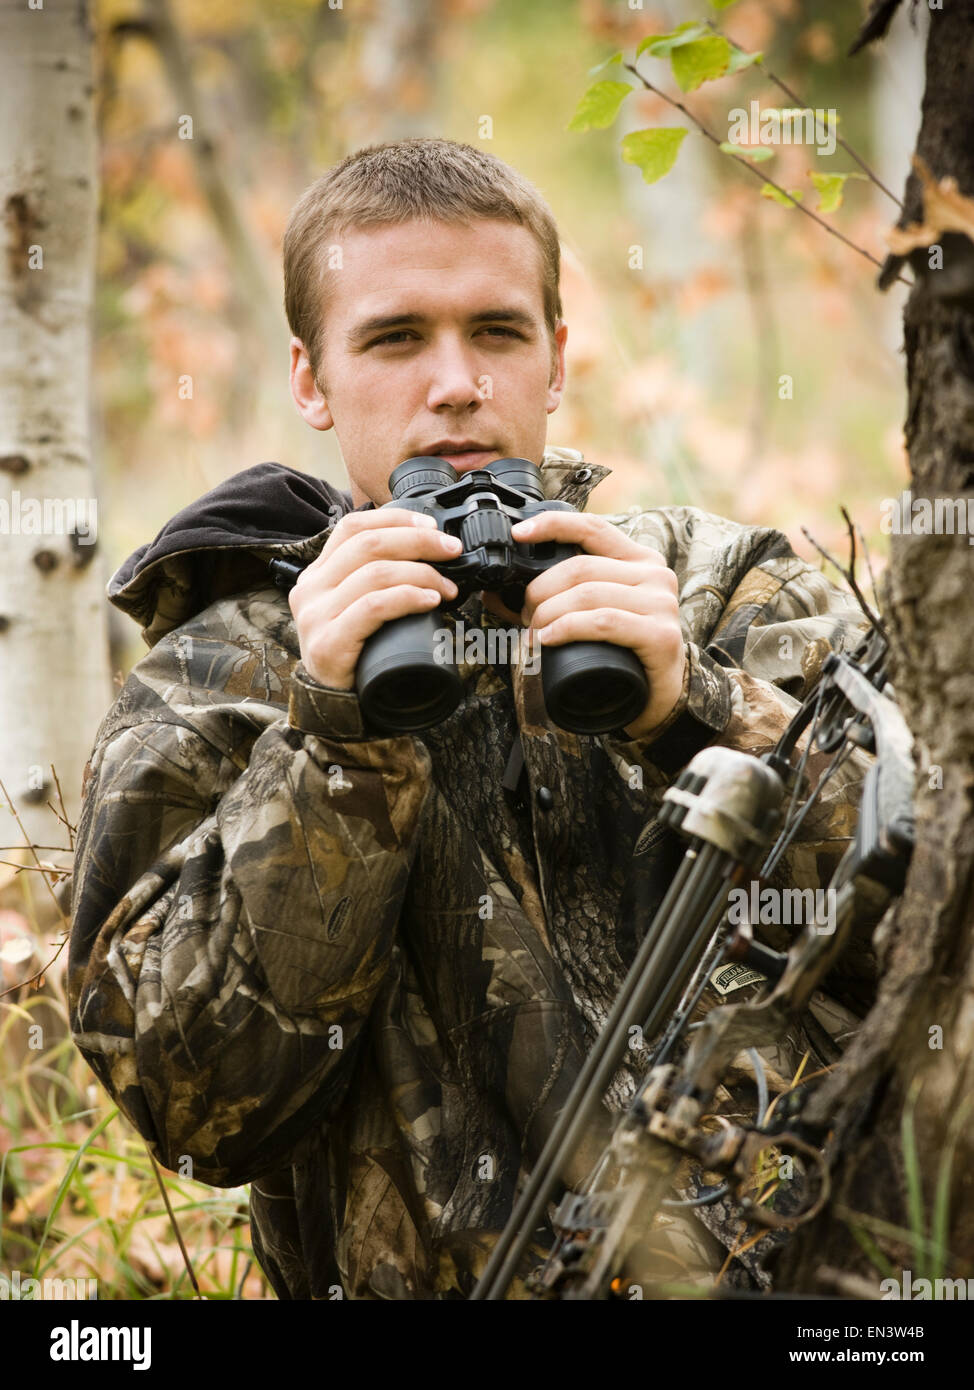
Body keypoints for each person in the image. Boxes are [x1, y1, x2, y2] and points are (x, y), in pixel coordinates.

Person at [68, 137, 872, 1300]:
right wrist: (336, 740)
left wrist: (692, 702)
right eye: (395, 338)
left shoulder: (725, 587)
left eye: (497, 331)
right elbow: (200, 1115)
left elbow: (930, 916)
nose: (456, 382)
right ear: (310, 378)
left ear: (554, 359)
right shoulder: (216, 679)